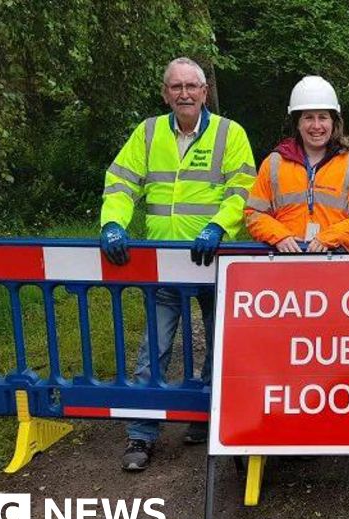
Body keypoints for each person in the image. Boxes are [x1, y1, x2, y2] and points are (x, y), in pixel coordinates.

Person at [99, 57, 256, 471]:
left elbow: (242, 189)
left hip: (212, 259)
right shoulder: (148, 133)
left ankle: (205, 417)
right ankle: (140, 435)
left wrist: (220, 227)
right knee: (154, 348)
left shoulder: (229, 133)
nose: (184, 93)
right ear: (165, 93)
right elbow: (120, 181)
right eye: (176, 87)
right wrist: (113, 222)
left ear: (205, 92)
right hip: (162, 262)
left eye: (192, 86)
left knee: (219, 344)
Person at [244, 75, 349, 253]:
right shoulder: (273, 163)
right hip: (286, 266)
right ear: (298, 123)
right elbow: (254, 214)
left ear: (333, 122)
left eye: (323, 117)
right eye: (308, 117)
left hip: (337, 265)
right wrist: (279, 236)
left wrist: (331, 238)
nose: (316, 125)